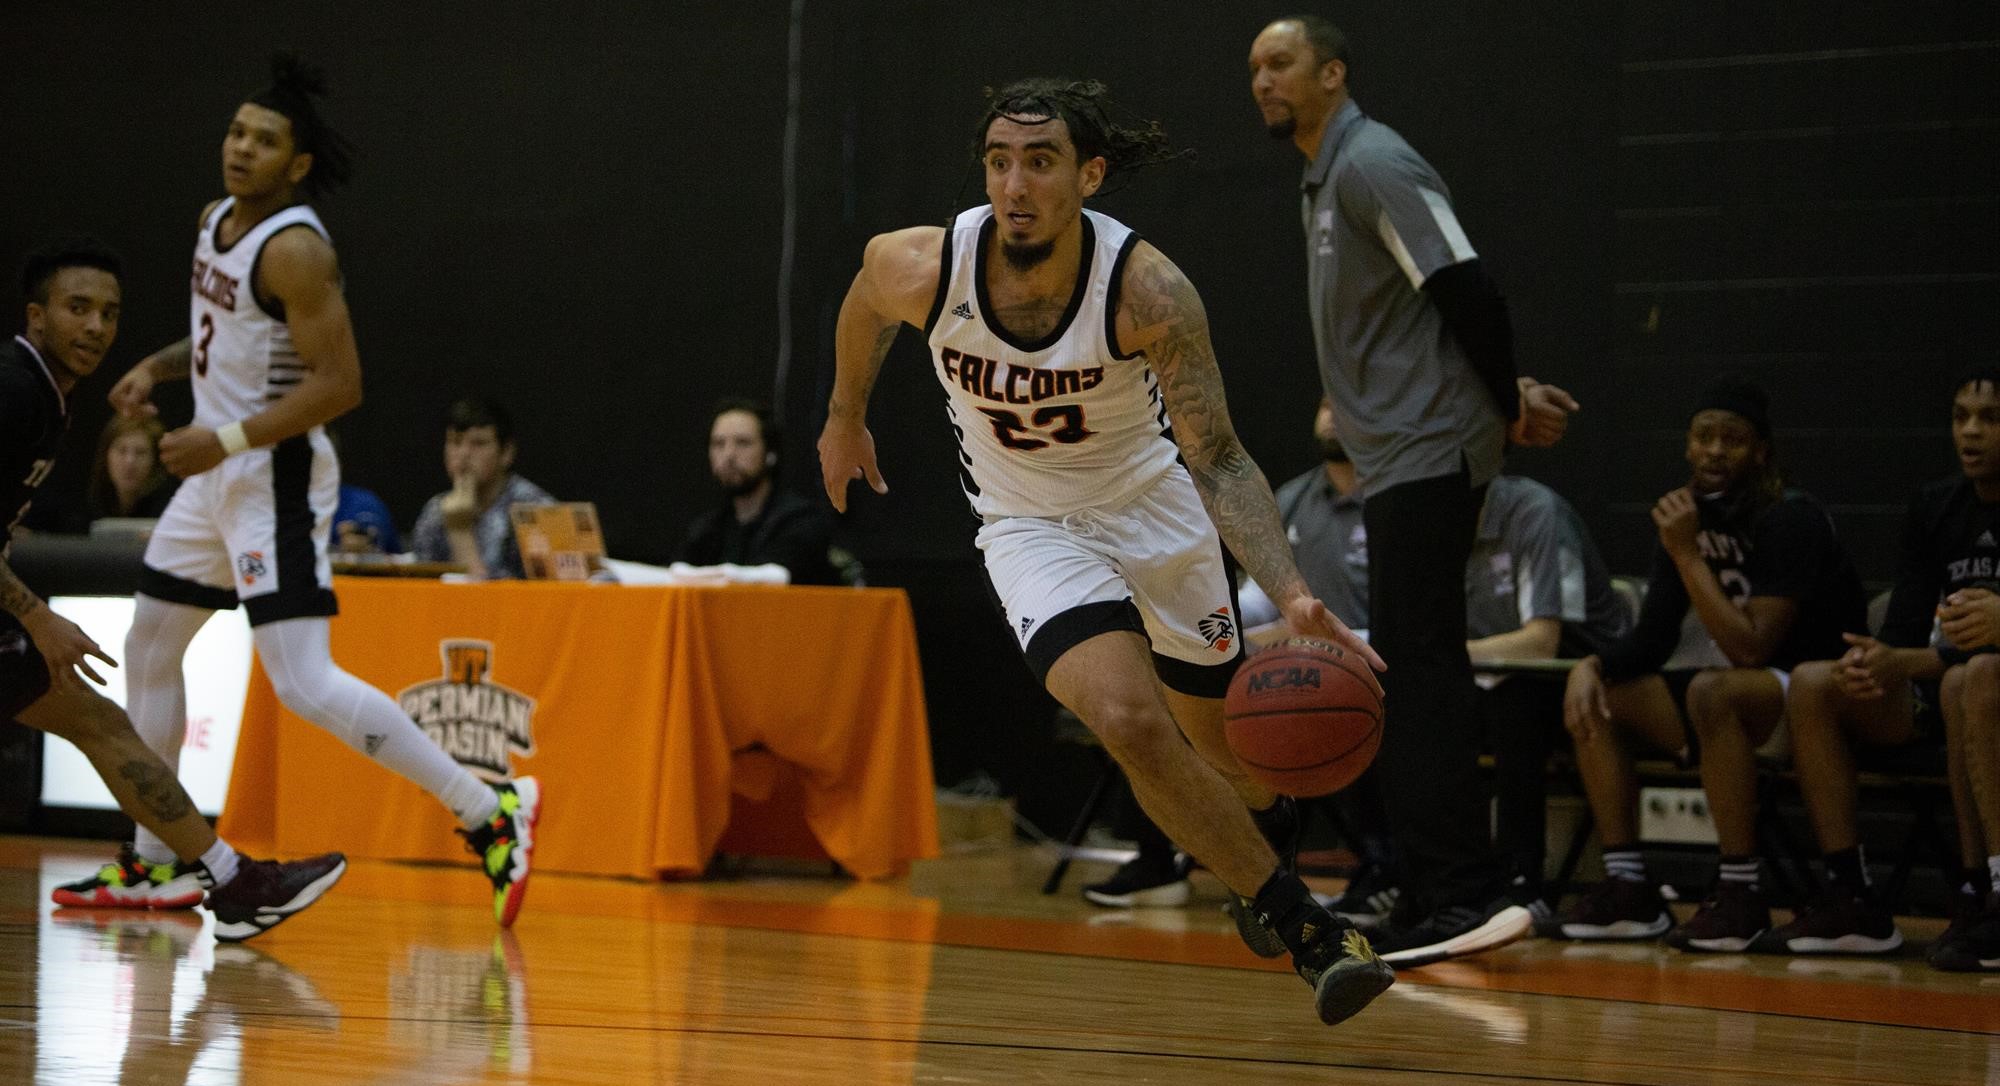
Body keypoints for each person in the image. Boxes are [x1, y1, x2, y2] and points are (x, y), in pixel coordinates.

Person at [818, 78, 1395, 1024]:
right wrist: (845, 416)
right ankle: (1311, 930)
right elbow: (861, 303)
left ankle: (1262, 823)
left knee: (1232, 757)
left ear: (1088, 176)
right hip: (1028, 526)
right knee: (1128, 720)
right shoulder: (922, 265)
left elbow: (1219, 456)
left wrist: (1291, 593)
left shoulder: (1146, 290)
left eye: (1040, 162)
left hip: (1154, 513)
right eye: (1000, 161)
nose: (1015, 184)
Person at [99, 56, 540, 927]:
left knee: (303, 682)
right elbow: (220, 337)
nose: (241, 149)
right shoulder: (215, 219)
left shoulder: (298, 250)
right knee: (149, 645)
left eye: (264, 141)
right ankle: (157, 862)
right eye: (236, 132)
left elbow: (340, 385)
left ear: (297, 164)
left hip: (274, 475)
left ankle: (489, 809)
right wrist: (156, 368)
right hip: (216, 474)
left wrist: (222, 438)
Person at [1250, 14, 1575, 957]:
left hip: (1430, 448)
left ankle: (1464, 894)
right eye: (1255, 68)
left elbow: (1466, 286)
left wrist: (1505, 404)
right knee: (1406, 668)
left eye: (1282, 63)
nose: (1263, 81)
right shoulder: (1322, 178)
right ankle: (1429, 886)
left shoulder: (1373, 162)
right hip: (1399, 453)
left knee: (1421, 672)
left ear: (1333, 73)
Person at [3, 238, 344, 941]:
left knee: (100, 721)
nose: (96, 327)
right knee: (101, 721)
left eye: (109, 313)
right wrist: (37, 617)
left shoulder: (46, 393)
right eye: (77, 308)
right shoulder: (15, 391)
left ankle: (229, 877)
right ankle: (233, 879)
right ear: (36, 316)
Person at [1555, 379, 1867, 951]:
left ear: (1762, 452)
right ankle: (1628, 885)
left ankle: (1740, 891)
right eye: (1704, 437)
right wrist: (1592, 665)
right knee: (1600, 698)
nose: (1716, 450)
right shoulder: (1689, 518)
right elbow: (1652, 639)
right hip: (1742, 697)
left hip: (1815, 691)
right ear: (1687, 445)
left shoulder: (1788, 517)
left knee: (1713, 690)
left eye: (1733, 439)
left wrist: (1687, 554)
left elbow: (1754, 648)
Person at [1761, 369, 2000, 967]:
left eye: (1990, 418)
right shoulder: (1935, 506)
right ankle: (1853, 898)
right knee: (1816, 683)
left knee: (1973, 678)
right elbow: (1904, 629)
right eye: (1960, 417)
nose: (1970, 432)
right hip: (1944, 685)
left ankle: (1986, 889)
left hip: (1977, 688)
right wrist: (1875, 661)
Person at [1466, 473, 1632, 915]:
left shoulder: (1536, 511)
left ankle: (1523, 884)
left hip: (1584, 674)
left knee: (1513, 698)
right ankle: (1413, 876)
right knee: (1409, 707)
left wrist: (1440, 655)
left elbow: (1541, 643)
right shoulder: (1429, 521)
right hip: (1490, 674)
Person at [677, 398, 840, 584]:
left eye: (743, 443)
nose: (729, 455)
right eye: (718, 443)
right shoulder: (707, 529)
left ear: (770, 453)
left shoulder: (801, 521)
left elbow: (777, 576)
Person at [409, 397, 553, 579]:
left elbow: (535, 593)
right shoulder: (435, 510)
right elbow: (420, 587)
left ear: (506, 453)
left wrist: (460, 530)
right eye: (455, 442)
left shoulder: (536, 511)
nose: (464, 454)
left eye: (478, 443)